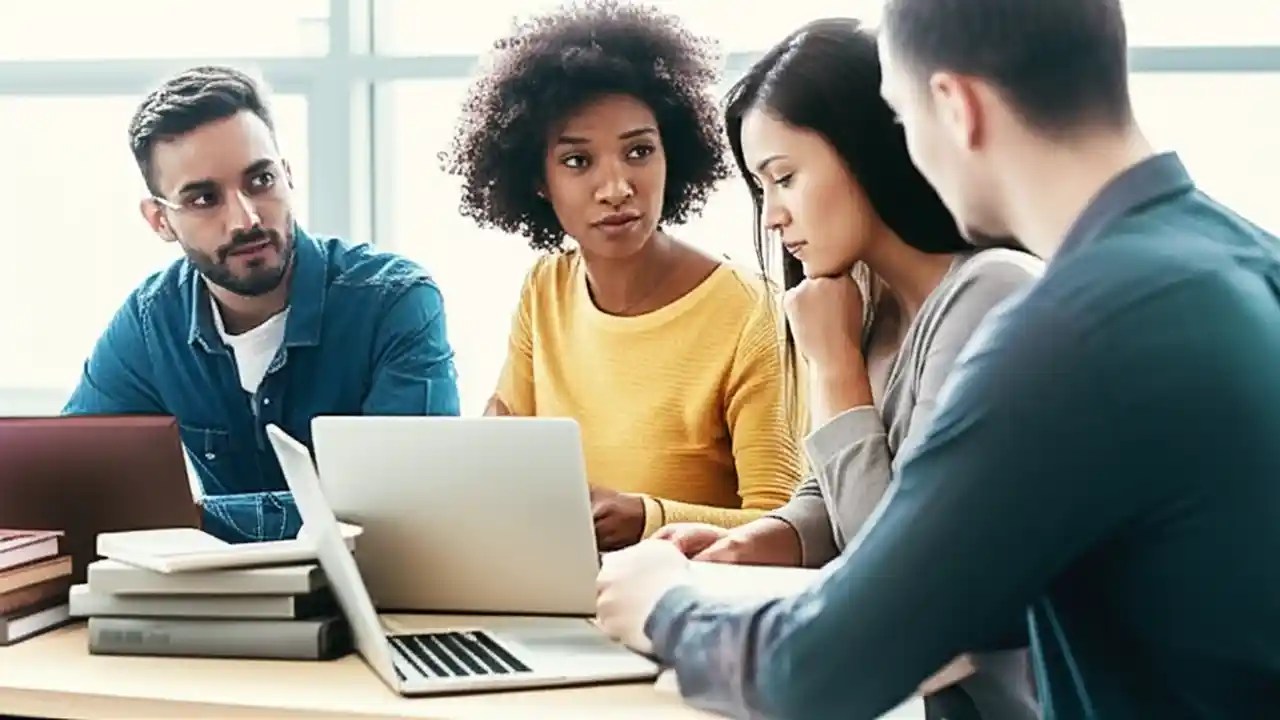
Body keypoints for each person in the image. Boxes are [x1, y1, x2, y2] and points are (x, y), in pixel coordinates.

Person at [596, 0, 1280, 717]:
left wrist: (664, 606)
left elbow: (832, 665)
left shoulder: (1072, 330)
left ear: (956, 107)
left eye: (902, 115)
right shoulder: (1241, 262)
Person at [649, 19, 1041, 719]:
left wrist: (834, 369)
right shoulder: (865, 306)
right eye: (762, 189)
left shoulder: (990, 296)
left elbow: (892, 570)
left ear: (866, 149)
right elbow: (832, 496)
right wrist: (748, 545)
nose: (773, 217)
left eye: (785, 178)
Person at [441, 0, 804, 552]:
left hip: (692, 594)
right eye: (577, 161)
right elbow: (506, 457)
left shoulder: (752, 313)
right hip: (561, 587)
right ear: (537, 180)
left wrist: (648, 517)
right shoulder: (544, 290)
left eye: (638, 151)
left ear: (671, 154)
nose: (616, 188)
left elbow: (783, 525)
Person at [64, 66, 461, 543]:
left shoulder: (394, 300)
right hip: (221, 590)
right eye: (204, 198)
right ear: (160, 221)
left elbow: (409, 508)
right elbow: (71, 488)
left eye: (260, 180)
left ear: (287, 176)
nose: (246, 219)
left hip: (379, 586)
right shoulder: (152, 324)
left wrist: (191, 521)